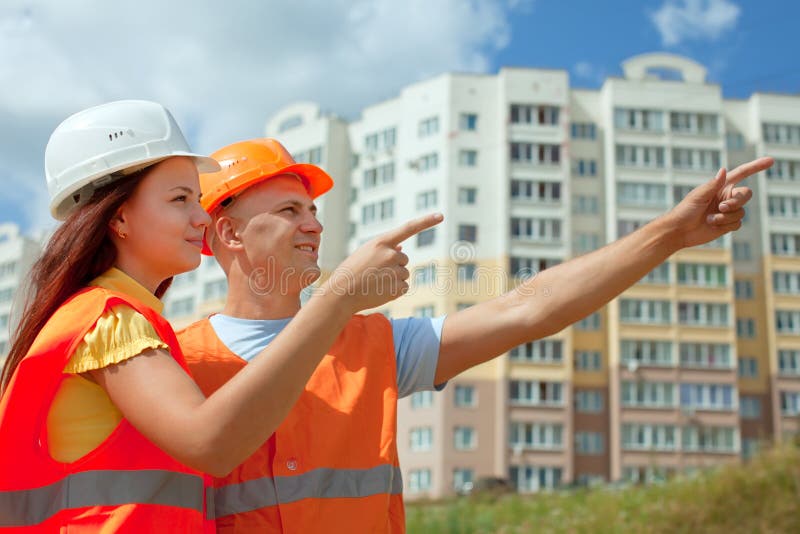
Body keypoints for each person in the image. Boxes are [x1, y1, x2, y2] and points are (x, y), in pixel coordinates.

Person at [178, 136, 773, 533]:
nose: (313, 226)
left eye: (313, 212)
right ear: (228, 234)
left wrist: (668, 235)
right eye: (290, 211)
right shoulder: (175, 364)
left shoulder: (374, 346)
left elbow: (528, 309)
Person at [0, 102, 438, 532]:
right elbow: (208, 442)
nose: (201, 217)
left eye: (197, 199)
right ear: (119, 216)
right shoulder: (108, 320)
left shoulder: (123, 319)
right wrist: (337, 299)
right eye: (180, 199)